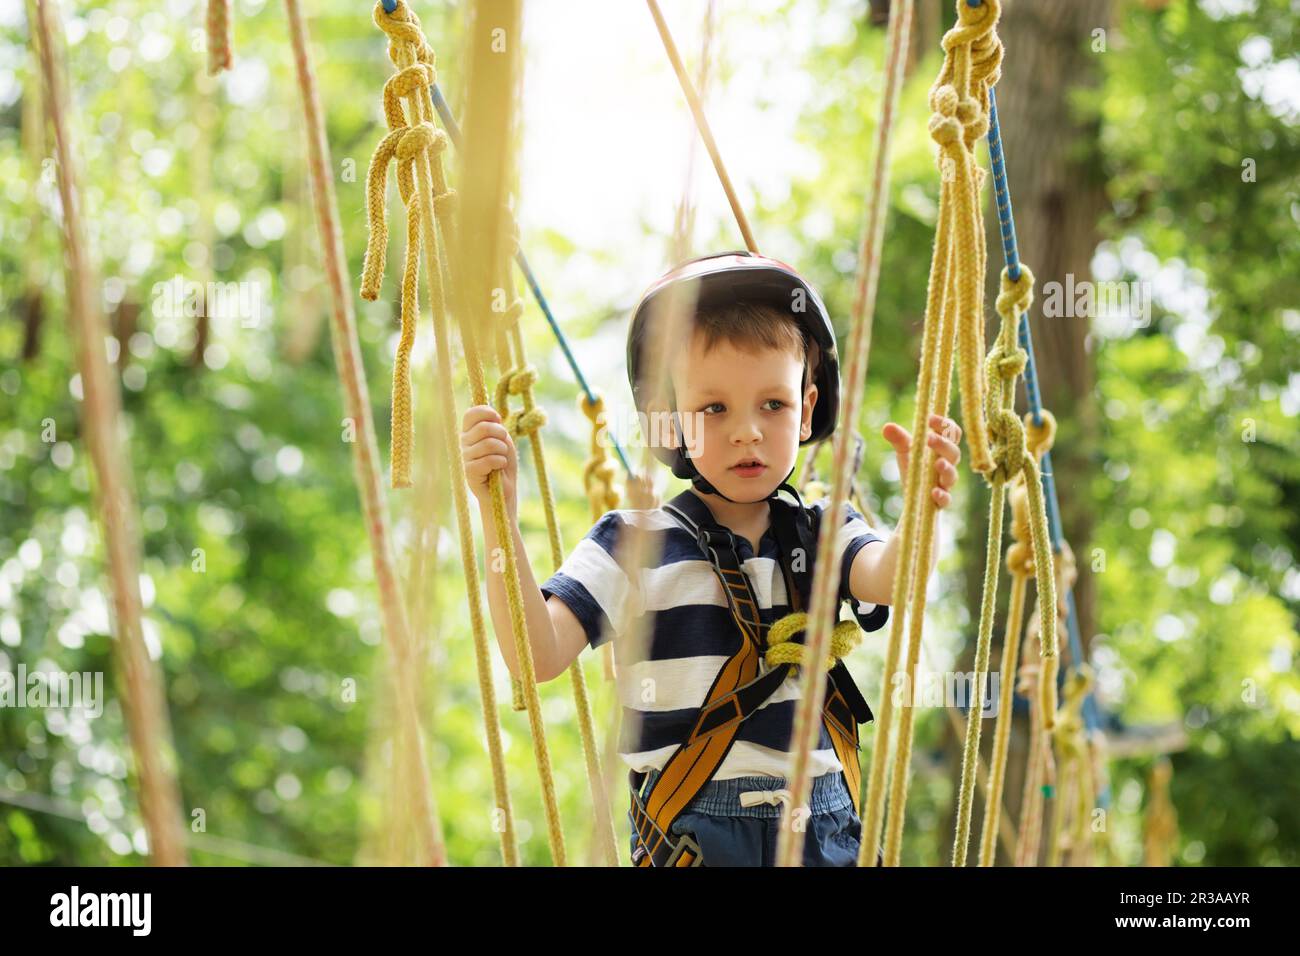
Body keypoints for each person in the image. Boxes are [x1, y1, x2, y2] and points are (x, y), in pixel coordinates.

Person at [460, 251, 961, 866]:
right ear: (671, 424)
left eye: (772, 405)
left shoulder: (826, 531)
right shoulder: (631, 544)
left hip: (822, 831)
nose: (746, 431)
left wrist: (923, 514)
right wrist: (499, 522)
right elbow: (535, 655)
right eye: (714, 408)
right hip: (694, 837)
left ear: (806, 411)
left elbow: (897, 579)